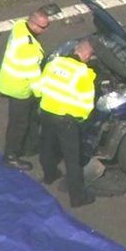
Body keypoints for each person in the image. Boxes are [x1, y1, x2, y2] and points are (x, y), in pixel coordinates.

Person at [34, 39, 97, 208]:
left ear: (75, 49)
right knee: (72, 159)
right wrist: (81, 120)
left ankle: (49, 175)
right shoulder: (84, 74)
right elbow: (86, 106)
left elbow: (39, 88)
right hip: (66, 121)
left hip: (46, 112)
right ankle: (77, 197)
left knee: (46, 146)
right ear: (87, 56)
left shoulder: (55, 63)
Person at [0, 9, 51, 171]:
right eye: (43, 27)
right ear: (33, 24)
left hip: (10, 80)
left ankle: (29, 146)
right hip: (20, 88)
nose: (45, 30)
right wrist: (41, 95)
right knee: (18, 124)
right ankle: (10, 156)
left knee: (29, 118)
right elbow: (33, 77)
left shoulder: (20, 26)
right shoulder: (28, 48)